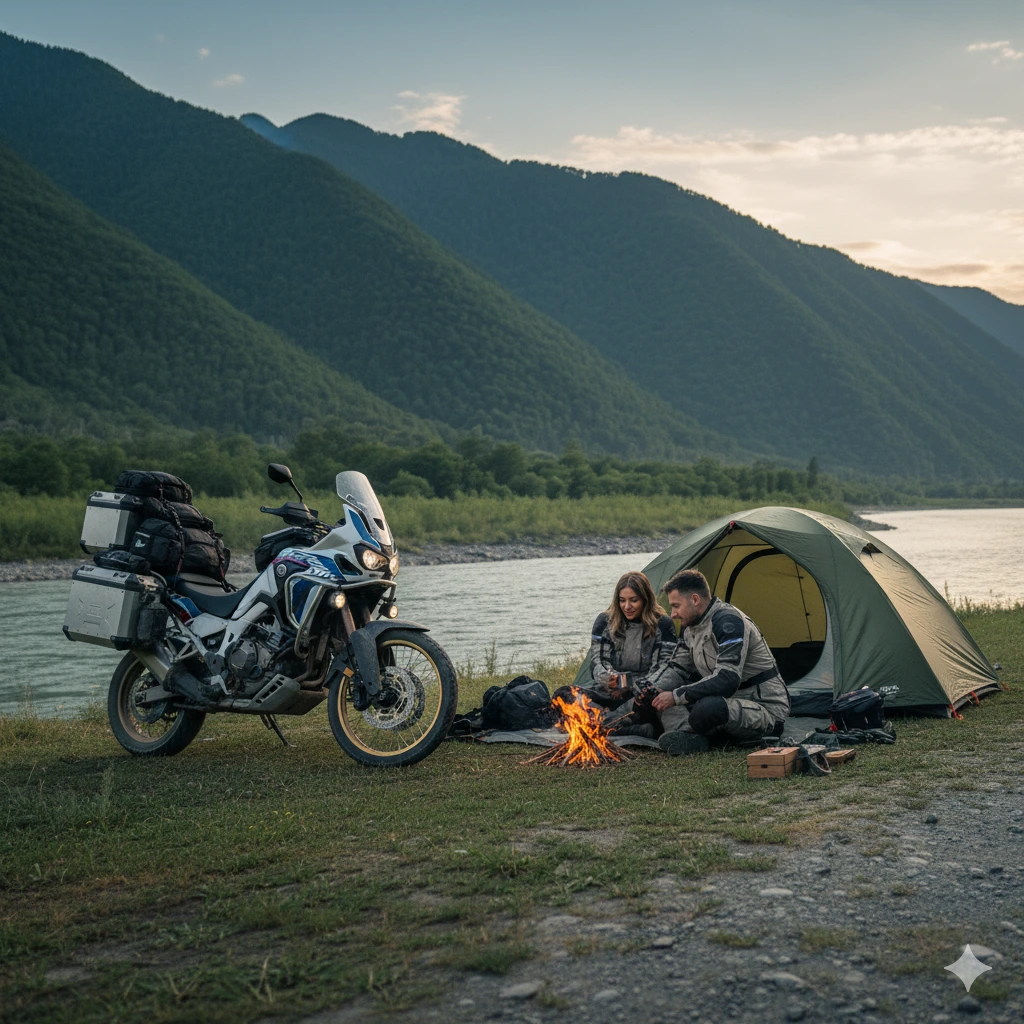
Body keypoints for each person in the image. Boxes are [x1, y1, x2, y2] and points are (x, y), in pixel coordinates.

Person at [646, 568, 790, 755]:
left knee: (707, 709)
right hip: (726, 702)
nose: (672, 614)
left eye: (676, 606)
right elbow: (677, 667)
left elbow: (727, 680)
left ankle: (698, 735)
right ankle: (690, 734)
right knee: (660, 701)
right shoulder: (690, 626)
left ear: (695, 600)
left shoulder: (728, 621)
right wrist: (650, 687)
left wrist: (675, 696)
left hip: (763, 707)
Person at [582, 571, 677, 729]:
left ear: (645, 599)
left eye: (634, 600)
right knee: (567, 696)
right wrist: (610, 678)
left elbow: (663, 668)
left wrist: (629, 685)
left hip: (644, 690)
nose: (627, 606)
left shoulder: (663, 624)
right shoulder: (605, 621)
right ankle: (630, 727)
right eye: (622, 600)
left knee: (652, 702)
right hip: (611, 690)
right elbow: (597, 660)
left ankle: (612, 724)